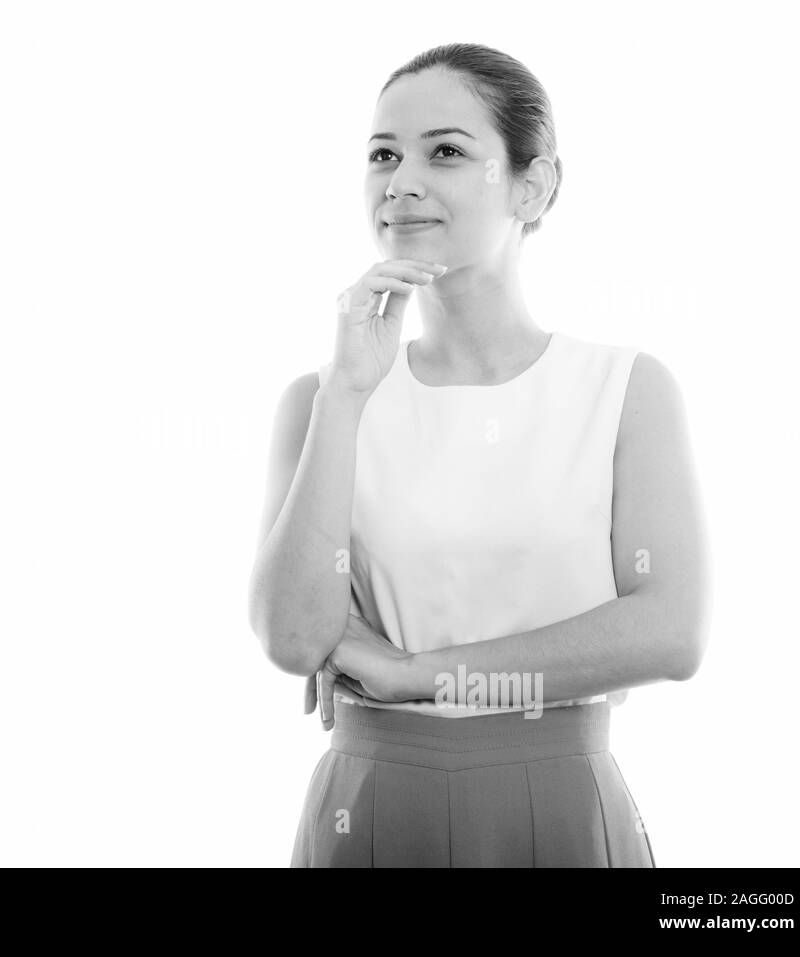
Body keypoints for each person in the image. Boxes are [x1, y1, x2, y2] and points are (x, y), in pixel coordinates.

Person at [246, 42, 711, 867]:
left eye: (447, 152)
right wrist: (350, 393)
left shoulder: (625, 388)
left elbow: (670, 632)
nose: (401, 181)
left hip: (559, 799)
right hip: (373, 802)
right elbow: (291, 637)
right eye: (382, 155)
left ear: (533, 185)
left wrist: (415, 672)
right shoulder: (323, 400)